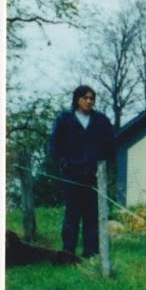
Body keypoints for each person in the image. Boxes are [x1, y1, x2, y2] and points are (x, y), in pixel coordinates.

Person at [48, 85, 116, 259]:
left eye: (92, 98)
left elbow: (110, 147)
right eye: (85, 98)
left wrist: (104, 166)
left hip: (94, 176)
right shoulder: (65, 120)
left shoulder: (101, 121)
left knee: (92, 216)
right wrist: (63, 163)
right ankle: (68, 252)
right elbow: (55, 145)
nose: (89, 101)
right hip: (72, 176)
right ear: (77, 99)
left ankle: (90, 254)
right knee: (72, 216)